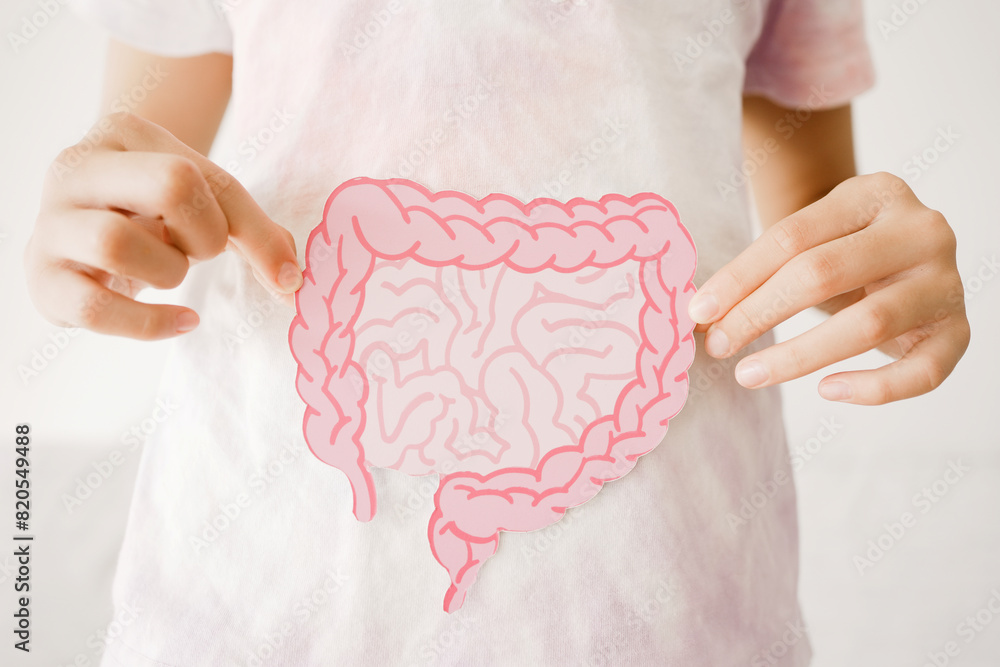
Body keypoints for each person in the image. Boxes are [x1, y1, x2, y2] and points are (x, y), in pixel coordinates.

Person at [24, 0, 970, 664]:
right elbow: (138, 161)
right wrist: (83, 226)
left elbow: (814, 218)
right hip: (257, 584)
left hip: (664, 593)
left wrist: (885, 270)